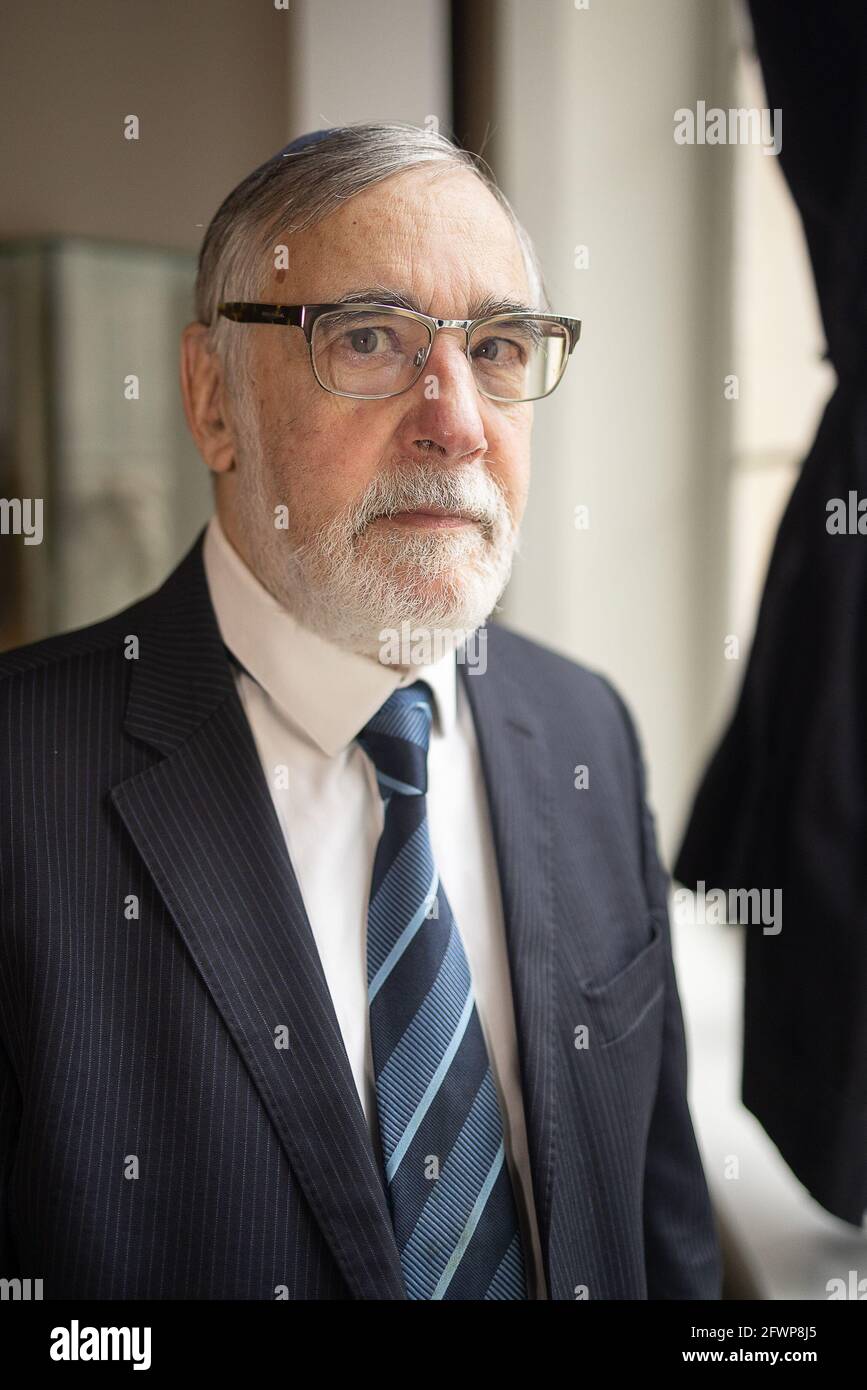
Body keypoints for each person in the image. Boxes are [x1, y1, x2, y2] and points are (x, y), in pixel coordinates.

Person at [0, 122, 720, 1300]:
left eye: (495, 347)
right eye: (371, 339)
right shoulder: (21, 787)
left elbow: (663, 1230)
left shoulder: (587, 728)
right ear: (209, 398)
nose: (457, 420)